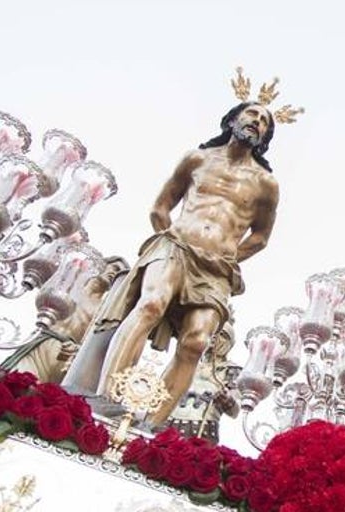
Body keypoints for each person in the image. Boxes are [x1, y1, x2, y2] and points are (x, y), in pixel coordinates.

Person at [89, 72, 284, 428]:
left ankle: (151, 423)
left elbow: (260, 236)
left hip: (216, 268)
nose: (256, 122)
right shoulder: (197, 159)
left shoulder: (266, 184)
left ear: (266, 138)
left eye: (264, 122)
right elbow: (160, 206)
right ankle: (108, 398)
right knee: (150, 305)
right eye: (251, 115)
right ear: (232, 120)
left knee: (196, 341)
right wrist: (168, 241)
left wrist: (228, 258)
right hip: (175, 246)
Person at [5, 255, 129, 383]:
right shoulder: (71, 285)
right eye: (114, 267)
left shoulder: (104, 310)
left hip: (66, 357)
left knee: (40, 398)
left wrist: (78, 349)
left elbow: (96, 342)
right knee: (17, 382)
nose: (115, 272)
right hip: (41, 345)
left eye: (119, 273)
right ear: (101, 266)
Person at [163, 314, 240, 443]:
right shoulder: (188, 361)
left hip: (202, 429)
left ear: (230, 343)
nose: (216, 337)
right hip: (169, 423)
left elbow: (235, 411)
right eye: (213, 333)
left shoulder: (231, 371)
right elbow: (163, 390)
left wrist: (226, 399)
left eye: (222, 335)